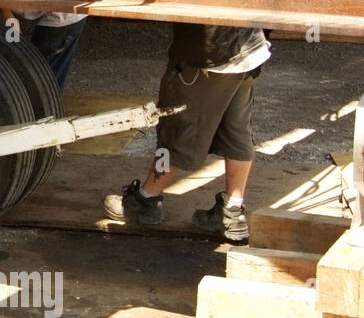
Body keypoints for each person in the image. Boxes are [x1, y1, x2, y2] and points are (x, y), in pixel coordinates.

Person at [103, 23, 271, 243]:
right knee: (236, 131)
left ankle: (146, 199)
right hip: (249, 49)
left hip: (210, 54)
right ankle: (232, 211)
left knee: (175, 132)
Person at [0, 8, 89, 90]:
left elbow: (7, 19)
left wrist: (17, 46)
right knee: (50, 80)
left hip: (60, 20)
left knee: (36, 82)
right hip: (74, 14)